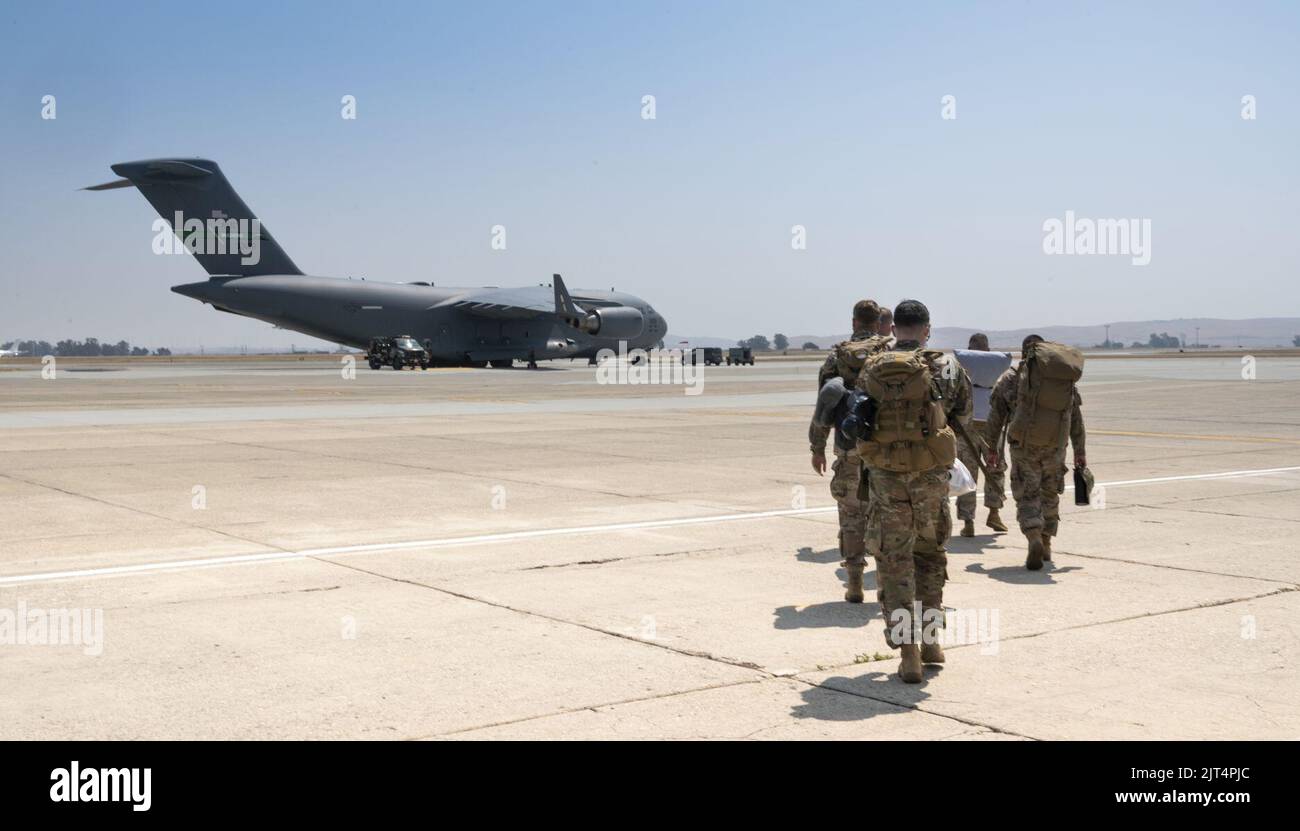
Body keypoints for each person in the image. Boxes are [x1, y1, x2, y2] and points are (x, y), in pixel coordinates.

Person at [855, 299, 971, 682]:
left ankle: (908, 652)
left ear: (894, 328)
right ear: (926, 329)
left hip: (887, 479)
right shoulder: (947, 366)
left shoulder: (872, 366)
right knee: (929, 556)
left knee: (894, 562)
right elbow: (964, 416)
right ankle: (932, 639)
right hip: (930, 480)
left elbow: (858, 419)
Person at [810, 300, 891, 602]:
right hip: (883, 450)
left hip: (847, 448)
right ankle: (883, 582)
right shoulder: (889, 354)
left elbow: (824, 405)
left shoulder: (836, 358)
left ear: (855, 322)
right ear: (878, 323)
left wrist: (817, 447)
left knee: (851, 515)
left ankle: (855, 581)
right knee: (883, 515)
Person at [983, 335, 1086, 570]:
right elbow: (1076, 419)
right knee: (1050, 493)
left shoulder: (1010, 379)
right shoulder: (1062, 382)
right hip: (1056, 447)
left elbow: (995, 418)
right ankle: (1047, 543)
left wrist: (992, 449)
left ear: (1024, 354)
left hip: (1024, 449)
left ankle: (1034, 537)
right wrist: (1080, 451)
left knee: (1027, 494)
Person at [953, 333, 1010, 536]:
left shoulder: (960, 365)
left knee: (967, 473)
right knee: (995, 468)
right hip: (991, 423)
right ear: (987, 349)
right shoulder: (996, 367)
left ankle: (968, 522)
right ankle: (994, 513)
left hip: (966, 423)